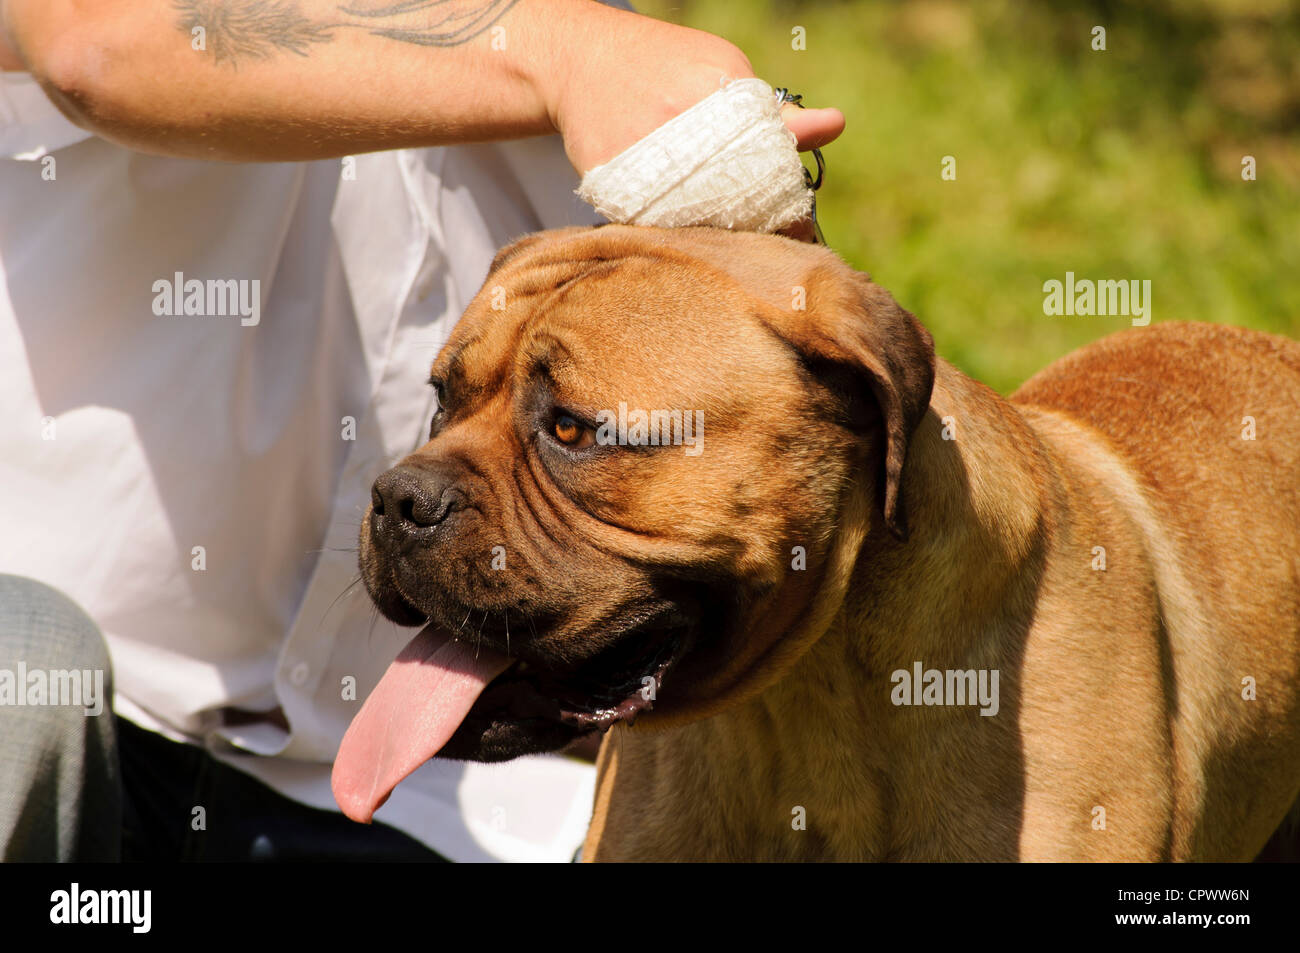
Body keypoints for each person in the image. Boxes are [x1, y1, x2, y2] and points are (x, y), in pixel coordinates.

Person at [0, 0, 843, 862]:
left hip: (439, 788)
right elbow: (91, 45)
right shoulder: (591, 49)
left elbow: (778, 473)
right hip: (77, 723)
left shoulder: (640, 86)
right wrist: (561, 52)